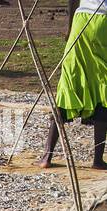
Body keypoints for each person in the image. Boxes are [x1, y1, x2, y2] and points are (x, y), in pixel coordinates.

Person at [42, 0, 107, 168]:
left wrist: (71, 26)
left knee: (71, 78)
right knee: (103, 84)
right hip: (103, 21)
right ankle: (97, 160)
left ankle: (46, 157)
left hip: (80, 19)